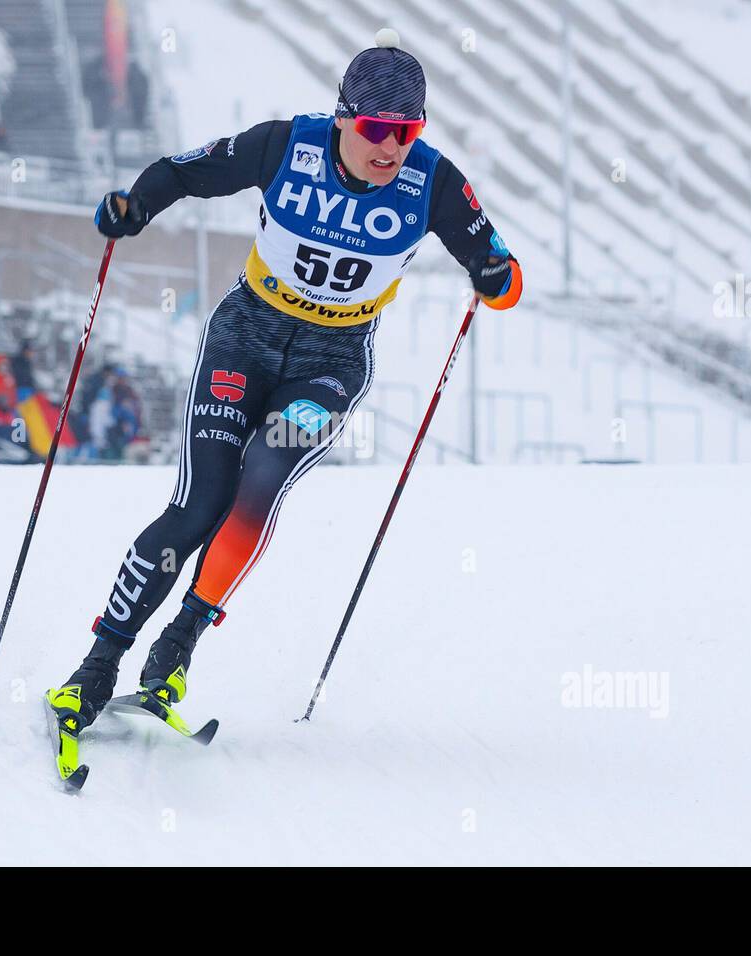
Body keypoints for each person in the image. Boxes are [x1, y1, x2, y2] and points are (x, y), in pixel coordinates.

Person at [46, 32, 522, 745]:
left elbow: (504, 275)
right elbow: (183, 172)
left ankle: (177, 646)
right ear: (343, 119)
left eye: (407, 132)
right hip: (245, 339)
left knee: (261, 478)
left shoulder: (435, 183)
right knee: (199, 503)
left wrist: (494, 278)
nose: (391, 148)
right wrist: (133, 207)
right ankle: (97, 664)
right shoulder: (285, 146)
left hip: (328, 368)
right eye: (376, 131)